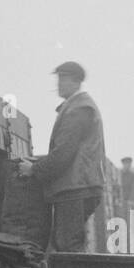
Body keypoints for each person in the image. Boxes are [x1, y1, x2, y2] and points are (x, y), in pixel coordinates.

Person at [19, 60, 105, 253]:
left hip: (74, 188)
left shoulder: (77, 110)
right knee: (68, 244)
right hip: (80, 186)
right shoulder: (80, 107)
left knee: (67, 246)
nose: (58, 83)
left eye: (63, 79)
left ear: (76, 81)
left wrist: (33, 169)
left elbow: (63, 154)